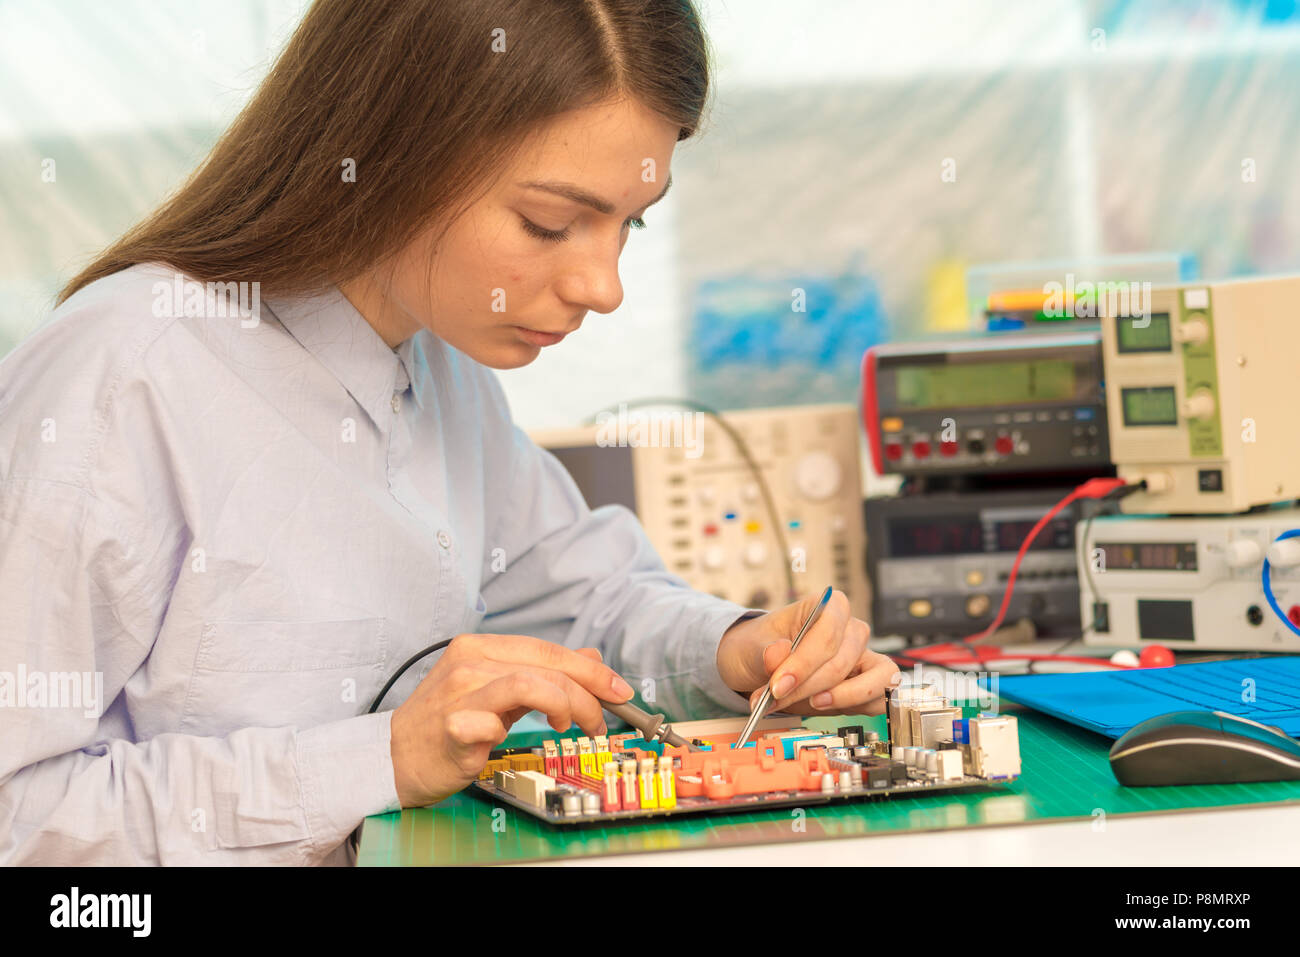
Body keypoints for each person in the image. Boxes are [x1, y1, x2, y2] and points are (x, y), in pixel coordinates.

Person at [0, 0, 897, 865]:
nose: (604, 285)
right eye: (550, 222)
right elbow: (15, 814)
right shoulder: (123, 375)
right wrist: (381, 758)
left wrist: (737, 649)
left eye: (630, 223)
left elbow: (582, 605)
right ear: (391, 153)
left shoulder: (445, 364)